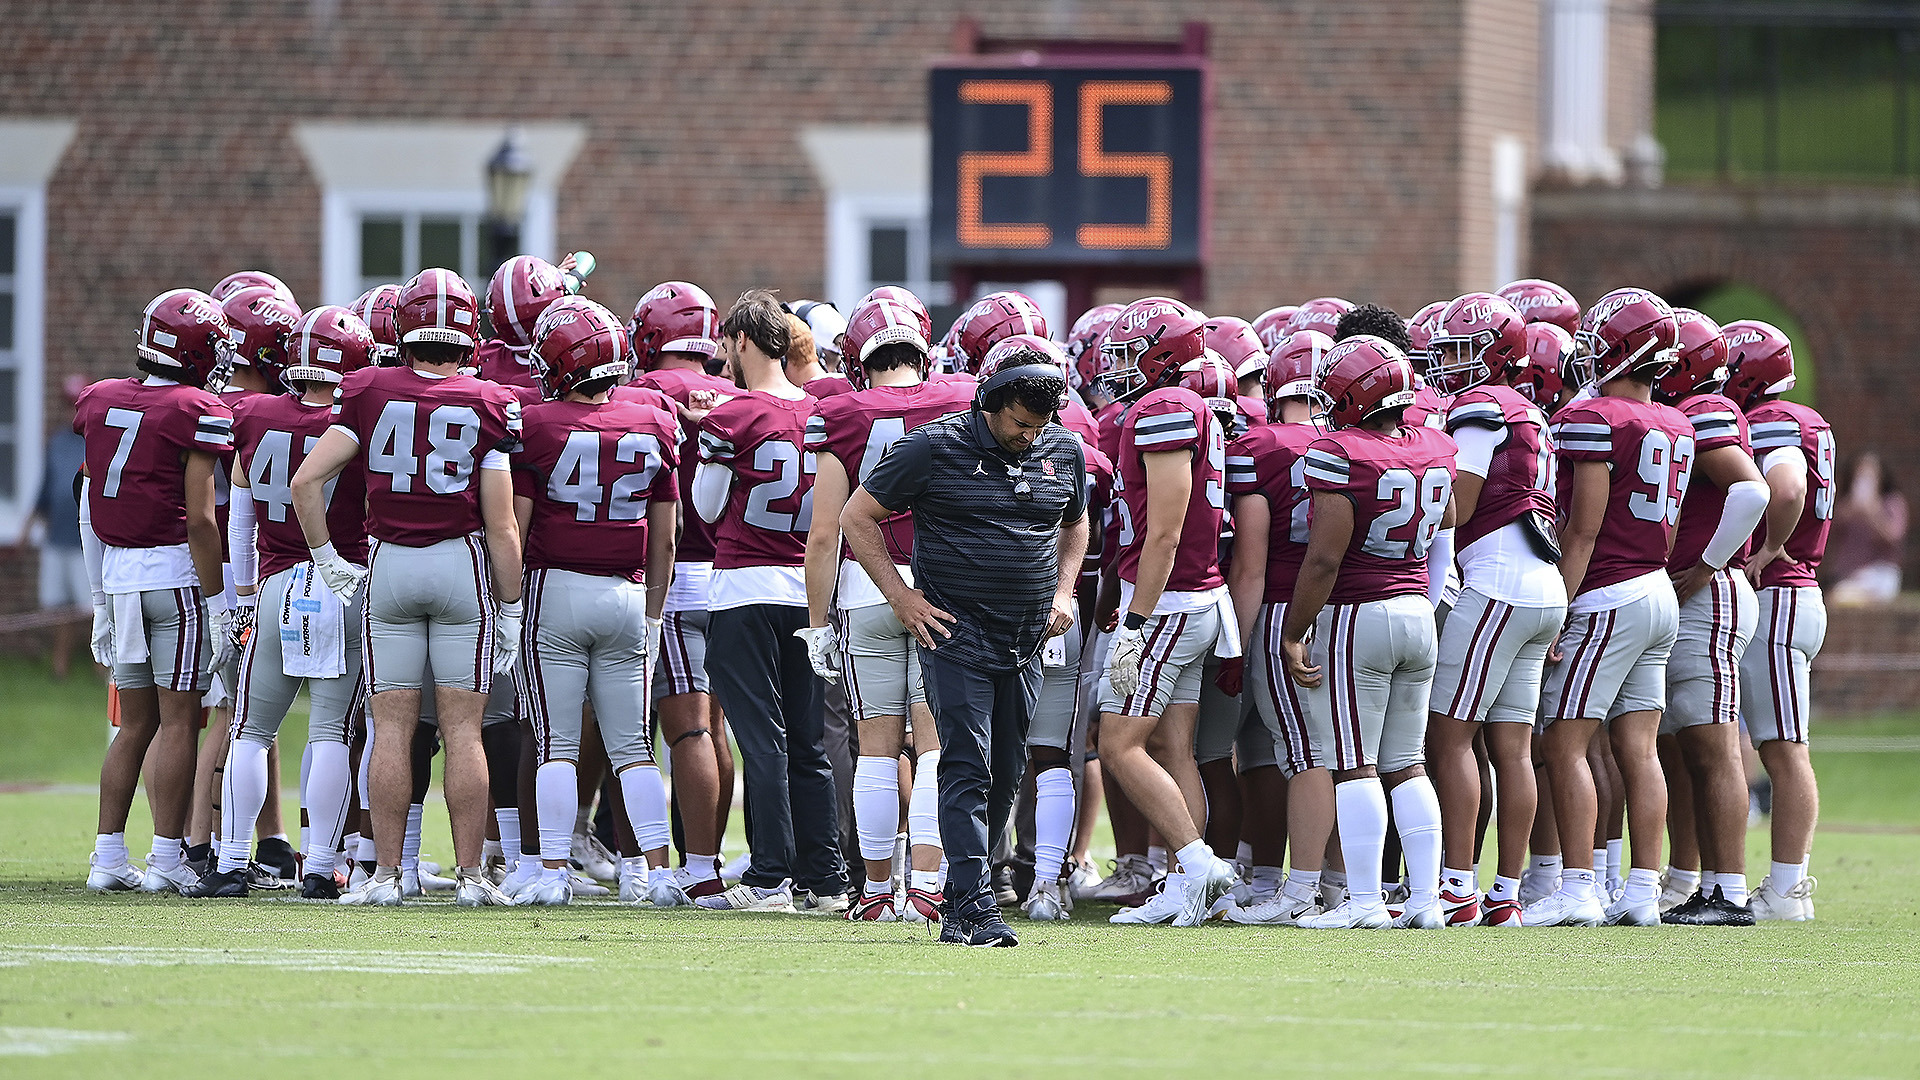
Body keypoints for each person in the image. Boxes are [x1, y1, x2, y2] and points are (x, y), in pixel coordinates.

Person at [291, 267, 524, 907]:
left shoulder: (367, 389)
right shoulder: (489, 400)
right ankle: (474, 876)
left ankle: (388, 875)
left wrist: (325, 557)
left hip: (389, 563)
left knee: (390, 729)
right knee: (466, 732)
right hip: (460, 564)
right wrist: (509, 606)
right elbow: (502, 523)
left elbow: (306, 482)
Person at [844, 345, 1087, 946]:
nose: (1031, 437)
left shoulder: (1061, 447)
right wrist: (901, 597)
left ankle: (963, 894)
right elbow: (857, 517)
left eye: (1042, 424)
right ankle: (971, 906)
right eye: (1020, 424)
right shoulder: (933, 447)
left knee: (1006, 772)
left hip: (1028, 637)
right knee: (965, 764)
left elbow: (1076, 522)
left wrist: (1064, 590)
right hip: (956, 634)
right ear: (990, 402)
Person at [189, 305, 375, 899]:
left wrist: (241, 597)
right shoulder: (359, 423)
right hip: (344, 581)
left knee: (250, 730)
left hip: (272, 587)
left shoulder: (252, 414)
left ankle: (232, 860)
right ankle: (320, 866)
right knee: (329, 734)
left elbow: (239, 513)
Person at [800, 294, 974, 922]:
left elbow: (825, 533)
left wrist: (818, 624)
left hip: (865, 587)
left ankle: (875, 890)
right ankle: (926, 888)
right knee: (933, 745)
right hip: (942, 586)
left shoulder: (838, 412)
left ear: (858, 357)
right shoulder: (960, 399)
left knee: (874, 744)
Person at [508, 298, 682, 907]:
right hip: (629, 594)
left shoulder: (538, 424)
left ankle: (553, 871)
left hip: (556, 589)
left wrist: (508, 600)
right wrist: (656, 610)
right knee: (632, 744)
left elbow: (518, 524)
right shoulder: (655, 421)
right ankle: (657, 872)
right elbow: (667, 533)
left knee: (556, 741)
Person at [1283, 335, 1457, 930]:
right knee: (1408, 762)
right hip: (1416, 610)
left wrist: (1295, 628)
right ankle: (1428, 902)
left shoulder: (1340, 452)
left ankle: (1363, 904)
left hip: (1360, 611)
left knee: (1356, 763)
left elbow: (1324, 559)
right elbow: (1448, 523)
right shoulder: (1436, 444)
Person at [1530, 288, 1691, 928]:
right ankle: (1643, 891)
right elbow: (1670, 527)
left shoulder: (1594, 418)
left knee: (1565, 742)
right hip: (1654, 586)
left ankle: (1578, 889)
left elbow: (1584, 528)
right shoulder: (1678, 424)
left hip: (1605, 591)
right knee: (1638, 746)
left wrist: (1558, 608)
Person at [691, 288, 850, 913]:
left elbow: (705, 509)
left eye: (730, 345)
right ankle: (824, 877)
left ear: (746, 343)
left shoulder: (732, 417)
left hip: (744, 588)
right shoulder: (822, 412)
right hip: (810, 590)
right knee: (809, 739)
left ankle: (769, 874)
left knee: (762, 739)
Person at [78, 289, 237, 893]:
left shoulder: (100, 399)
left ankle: (107, 858)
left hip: (119, 578)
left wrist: (98, 597)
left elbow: (89, 507)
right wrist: (220, 600)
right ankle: (167, 859)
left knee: (133, 724)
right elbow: (201, 518)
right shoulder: (195, 407)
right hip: (173, 578)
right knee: (178, 722)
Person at [1093, 296, 1243, 929]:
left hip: (1168, 602)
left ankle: (1196, 862)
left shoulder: (1165, 407)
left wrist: (1136, 620)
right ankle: (1189, 884)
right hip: (1193, 598)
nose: (1121, 366)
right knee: (1175, 745)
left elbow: (1164, 531)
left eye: (1131, 352)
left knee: (1118, 744)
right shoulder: (1190, 407)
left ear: (1161, 354)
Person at [1418, 294, 1566, 928]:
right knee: (1513, 747)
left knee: (1450, 737)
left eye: (1459, 351)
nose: (1448, 364)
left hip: (1498, 584)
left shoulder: (1481, 408)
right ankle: (1504, 891)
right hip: (1542, 585)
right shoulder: (1533, 410)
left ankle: (1456, 887)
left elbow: (1463, 502)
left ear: (1496, 354)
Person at [1651, 309, 1769, 927]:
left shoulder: (1705, 410)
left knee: (1714, 747)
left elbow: (1753, 491)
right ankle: (1692, 881)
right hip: (1691, 595)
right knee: (1680, 749)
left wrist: (1706, 563)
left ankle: (1728, 890)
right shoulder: (1686, 413)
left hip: (1709, 593)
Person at [1221, 329, 1340, 926]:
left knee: (1303, 753)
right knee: (1341, 751)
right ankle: (1343, 884)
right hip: (1345, 610)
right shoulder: (1352, 439)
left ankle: (1303, 888)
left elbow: (1251, 564)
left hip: (1283, 611)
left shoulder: (1257, 447)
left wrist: (1235, 645)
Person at [628, 281, 737, 895]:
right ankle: (709, 862)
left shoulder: (643, 393)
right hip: (730, 574)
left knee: (682, 730)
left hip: (672, 577)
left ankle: (691, 868)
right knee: (712, 729)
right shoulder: (740, 394)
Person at [1725, 320, 1833, 921]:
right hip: (1799, 594)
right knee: (1772, 742)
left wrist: (1766, 548)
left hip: (1780, 595)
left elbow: (1787, 486)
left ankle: (1789, 889)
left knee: (1783, 748)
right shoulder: (1806, 418)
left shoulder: (1774, 423)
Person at [16, 377, 91, 680]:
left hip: (84, 542)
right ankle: (60, 666)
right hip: (56, 539)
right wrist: (26, 529)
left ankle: (102, 669)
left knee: (90, 608)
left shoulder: (94, 441)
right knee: (58, 607)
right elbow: (43, 492)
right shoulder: (57, 443)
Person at [1824, 452, 1906, 604]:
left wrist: (1872, 511)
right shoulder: (1845, 503)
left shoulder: (1892, 502)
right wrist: (1851, 507)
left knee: (1841, 598)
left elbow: (1893, 537)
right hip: (1847, 573)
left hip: (1879, 574)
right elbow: (1829, 531)